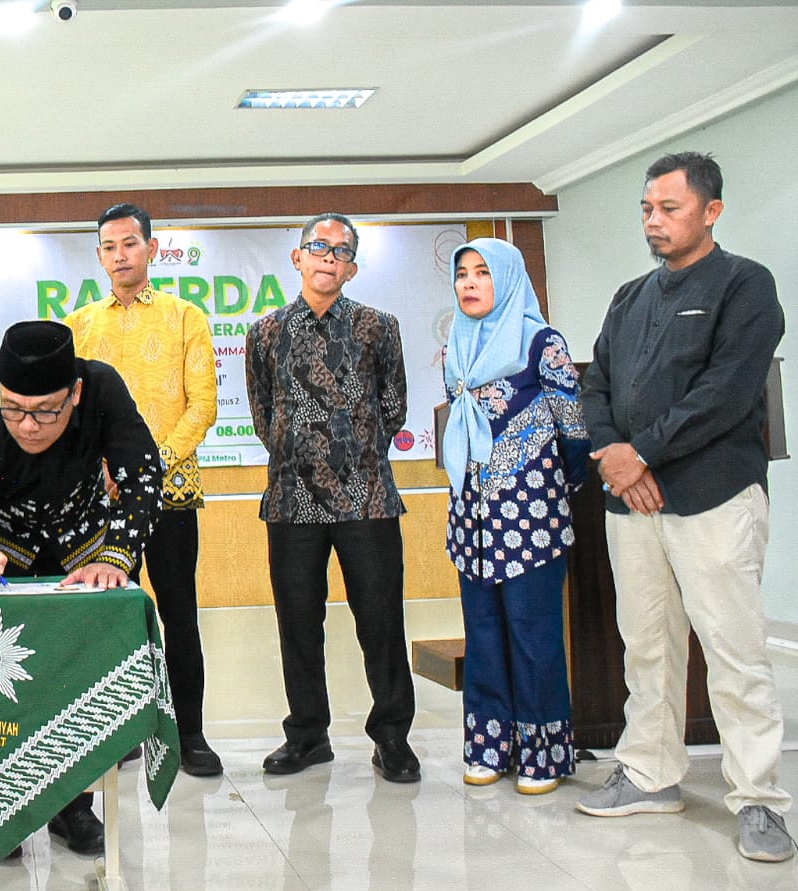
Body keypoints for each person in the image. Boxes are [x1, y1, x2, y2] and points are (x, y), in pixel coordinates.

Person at [576, 151, 791, 863]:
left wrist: (646, 453)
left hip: (713, 499)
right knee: (649, 646)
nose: (654, 221)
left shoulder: (745, 285)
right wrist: (613, 454)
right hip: (632, 506)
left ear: (711, 211)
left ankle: (759, 798)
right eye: (646, 209)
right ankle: (650, 771)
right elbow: (597, 384)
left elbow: (728, 392)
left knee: (734, 652)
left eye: (669, 208)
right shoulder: (631, 296)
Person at [0, 319, 162, 857]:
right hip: (1, 563)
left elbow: (144, 477)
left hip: (84, 553)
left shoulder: (103, 389)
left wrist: (116, 555)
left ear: (74, 392)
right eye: (13, 408)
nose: (28, 426)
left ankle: (72, 807)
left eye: (46, 410)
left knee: (73, 684)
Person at [244, 212, 420, 783]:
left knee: (381, 621)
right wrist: (301, 450)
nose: (328, 256)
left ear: (352, 267)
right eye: (317, 246)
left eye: (340, 251)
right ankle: (308, 734)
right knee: (298, 622)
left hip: (365, 497)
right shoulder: (265, 333)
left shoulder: (377, 326)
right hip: (292, 501)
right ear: (297, 257)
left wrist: (348, 451)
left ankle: (392, 738)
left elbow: (394, 405)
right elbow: (262, 412)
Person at [64, 203, 222, 778]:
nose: (120, 255)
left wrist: (146, 467)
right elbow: (69, 412)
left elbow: (203, 406)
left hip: (171, 495)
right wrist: (105, 467)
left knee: (180, 615)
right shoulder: (80, 324)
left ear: (152, 250)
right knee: (108, 616)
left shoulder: (187, 317)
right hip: (100, 498)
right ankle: (115, 732)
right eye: (109, 246)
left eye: (130, 244)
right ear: (100, 255)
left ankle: (192, 734)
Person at [442, 238, 587, 795]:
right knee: (482, 634)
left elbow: (572, 427)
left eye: (483, 273)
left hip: (532, 517)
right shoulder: (457, 343)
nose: (471, 283)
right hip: (472, 517)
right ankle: (489, 746)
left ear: (508, 279)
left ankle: (543, 753)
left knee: (533, 634)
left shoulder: (540, 342)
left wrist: (552, 490)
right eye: (462, 275)